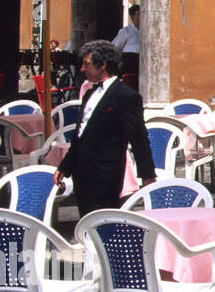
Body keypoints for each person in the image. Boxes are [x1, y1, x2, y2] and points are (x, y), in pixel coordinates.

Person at [53, 40, 156, 215]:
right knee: (85, 224)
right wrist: (65, 167)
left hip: (106, 174)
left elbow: (138, 138)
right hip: (82, 173)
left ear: (103, 65)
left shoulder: (126, 96)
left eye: (87, 64)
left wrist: (147, 175)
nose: (83, 69)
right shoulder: (89, 94)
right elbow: (80, 136)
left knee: (102, 225)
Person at [111, 5, 140, 80]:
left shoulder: (146, 31)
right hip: (129, 66)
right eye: (139, 14)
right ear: (132, 16)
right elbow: (114, 48)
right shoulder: (125, 31)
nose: (141, 16)